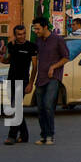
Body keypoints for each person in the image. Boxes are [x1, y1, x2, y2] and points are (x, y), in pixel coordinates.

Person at [30, 17, 70, 145]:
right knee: (40, 108)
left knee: (48, 105)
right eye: (34, 28)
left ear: (45, 27)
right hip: (40, 78)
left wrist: (53, 67)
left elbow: (65, 58)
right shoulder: (38, 41)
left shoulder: (58, 40)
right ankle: (43, 135)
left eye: (37, 28)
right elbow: (36, 60)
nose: (36, 31)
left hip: (53, 78)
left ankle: (50, 135)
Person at [2, 24, 36, 144]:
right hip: (11, 79)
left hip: (23, 81)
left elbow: (35, 67)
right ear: (15, 35)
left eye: (23, 34)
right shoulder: (11, 45)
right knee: (17, 108)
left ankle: (12, 136)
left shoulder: (31, 46)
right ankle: (24, 135)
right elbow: (7, 60)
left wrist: (31, 83)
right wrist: (2, 55)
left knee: (14, 107)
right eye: (19, 34)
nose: (22, 36)